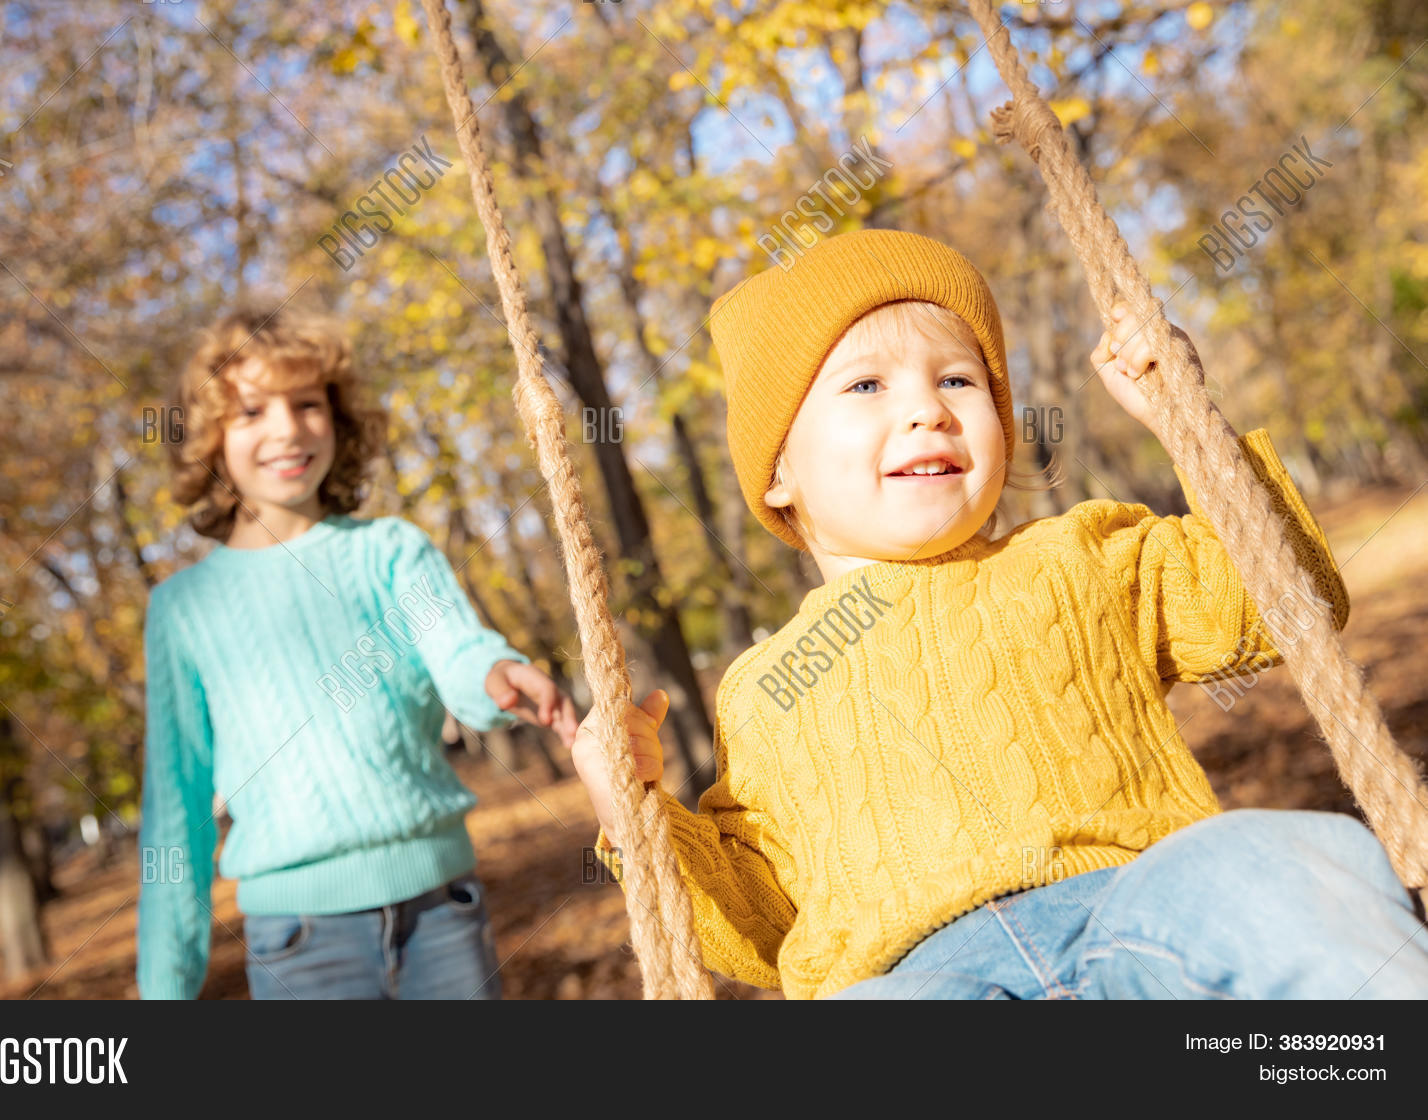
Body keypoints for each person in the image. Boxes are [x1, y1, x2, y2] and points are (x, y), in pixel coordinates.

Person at [570, 228, 1428, 999]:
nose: (928, 409)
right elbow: (761, 922)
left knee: (1281, 861)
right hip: (914, 976)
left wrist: (1192, 429)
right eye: (866, 385)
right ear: (778, 473)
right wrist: (634, 814)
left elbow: (1286, 603)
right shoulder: (764, 689)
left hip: (1144, 905)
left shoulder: (1080, 556)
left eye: (957, 379)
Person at [136, 307, 578, 999]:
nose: (287, 428)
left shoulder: (389, 551)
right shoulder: (184, 608)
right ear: (211, 439)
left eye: (307, 403)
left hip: (440, 913)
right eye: (251, 411)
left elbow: (456, 648)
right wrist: (166, 983)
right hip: (298, 941)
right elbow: (176, 803)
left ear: (338, 419)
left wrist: (495, 674)